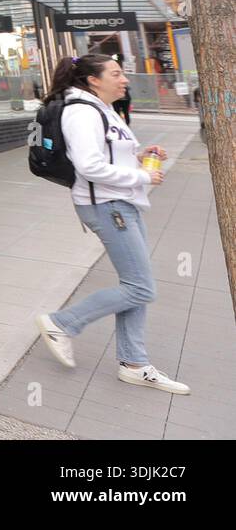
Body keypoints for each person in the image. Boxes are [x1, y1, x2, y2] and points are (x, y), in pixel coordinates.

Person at [34, 53, 190, 394]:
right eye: (116, 73)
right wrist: (142, 175)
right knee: (141, 287)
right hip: (107, 206)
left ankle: (134, 364)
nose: (125, 79)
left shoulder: (102, 109)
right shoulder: (81, 112)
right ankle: (62, 323)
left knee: (135, 286)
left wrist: (140, 154)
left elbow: (109, 153)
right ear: (93, 79)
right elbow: (89, 166)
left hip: (121, 204)